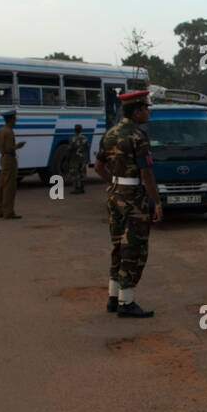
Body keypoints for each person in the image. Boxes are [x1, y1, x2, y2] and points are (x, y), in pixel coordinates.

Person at [94, 90, 163, 317]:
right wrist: (156, 201)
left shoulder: (110, 134)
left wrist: (114, 183)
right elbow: (146, 174)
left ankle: (113, 298)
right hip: (133, 200)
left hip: (114, 196)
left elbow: (98, 167)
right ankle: (127, 303)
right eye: (145, 108)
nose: (148, 112)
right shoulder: (138, 137)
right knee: (134, 249)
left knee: (118, 247)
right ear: (136, 112)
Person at [0, 109, 25, 219]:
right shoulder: (9, 132)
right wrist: (18, 146)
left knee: (2, 185)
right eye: (14, 119)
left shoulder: (0, 131)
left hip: (3, 158)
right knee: (9, 187)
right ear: (10, 119)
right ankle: (8, 212)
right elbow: (9, 148)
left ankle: (1, 210)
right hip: (9, 159)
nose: (15, 120)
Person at [66, 124, 89, 194]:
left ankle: (77, 188)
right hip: (82, 158)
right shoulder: (84, 138)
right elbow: (87, 148)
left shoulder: (73, 138)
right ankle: (82, 187)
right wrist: (87, 158)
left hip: (75, 158)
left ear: (75, 130)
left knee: (75, 173)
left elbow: (69, 149)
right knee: (82, 172)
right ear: (81, 129)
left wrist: (67, 159)